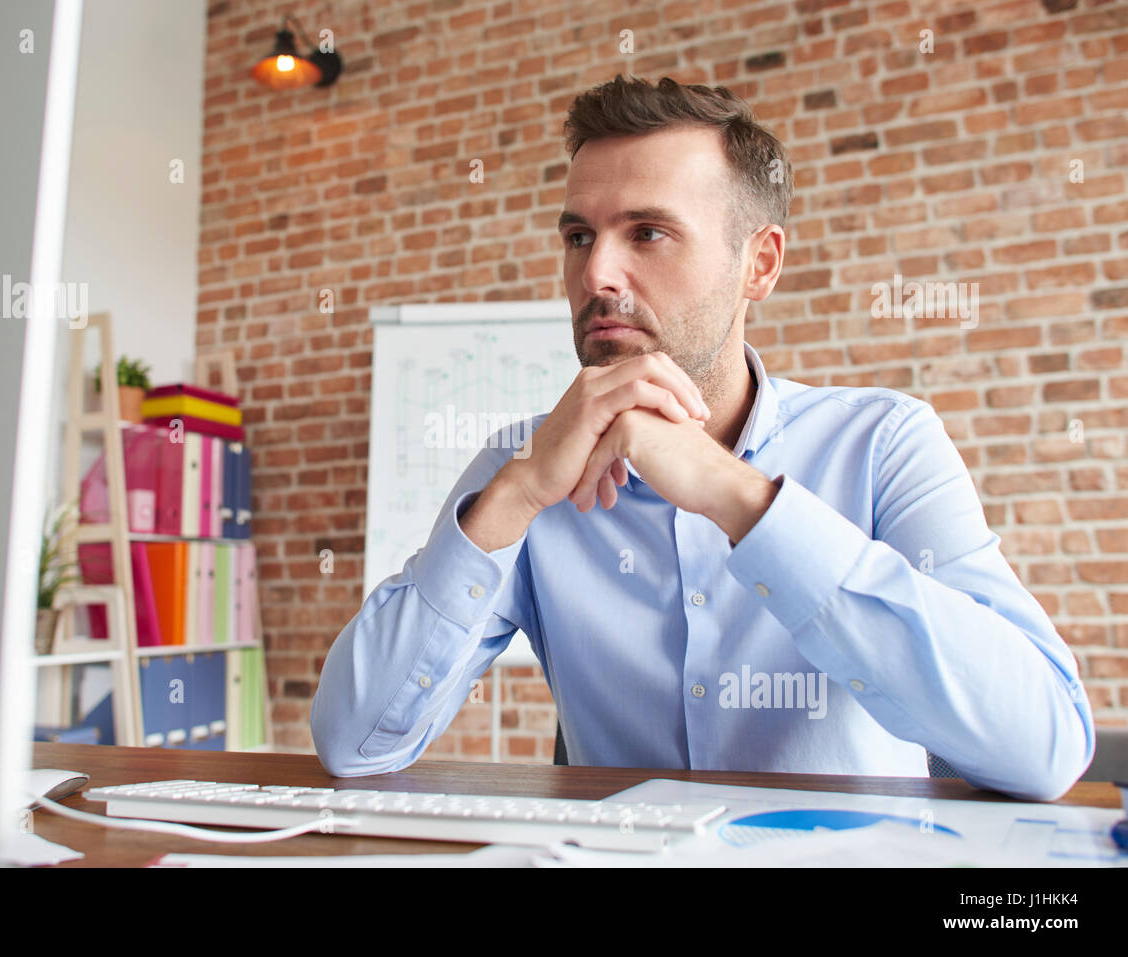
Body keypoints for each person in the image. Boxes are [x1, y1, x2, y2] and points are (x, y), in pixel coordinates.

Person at [310, 75, 1094, 801]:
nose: (597, 276)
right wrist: (514, 493)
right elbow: (353, 741)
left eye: (647, 232)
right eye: (579, 237)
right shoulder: (528, 462)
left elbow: (1046, 746)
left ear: (760, 264)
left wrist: (736, 497)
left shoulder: (885, 443)